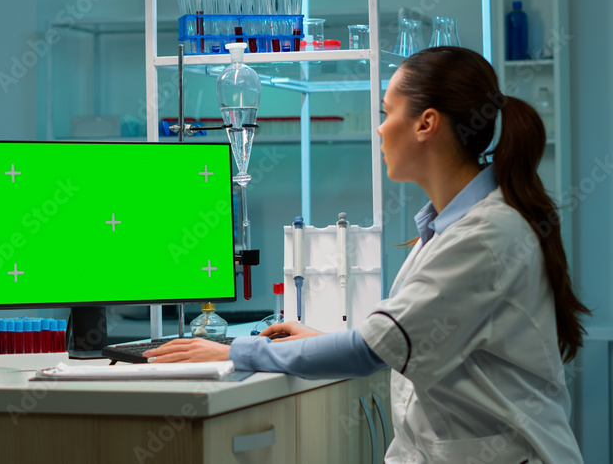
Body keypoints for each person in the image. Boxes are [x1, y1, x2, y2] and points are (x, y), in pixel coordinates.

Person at [147, 46, 588, 463]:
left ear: (426, 124)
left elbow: (367, 353)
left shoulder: (484, 234)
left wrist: (236, 352)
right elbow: (405, 338)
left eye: (386, 113)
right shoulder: (450, 226)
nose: (379, 128)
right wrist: (316, 340)